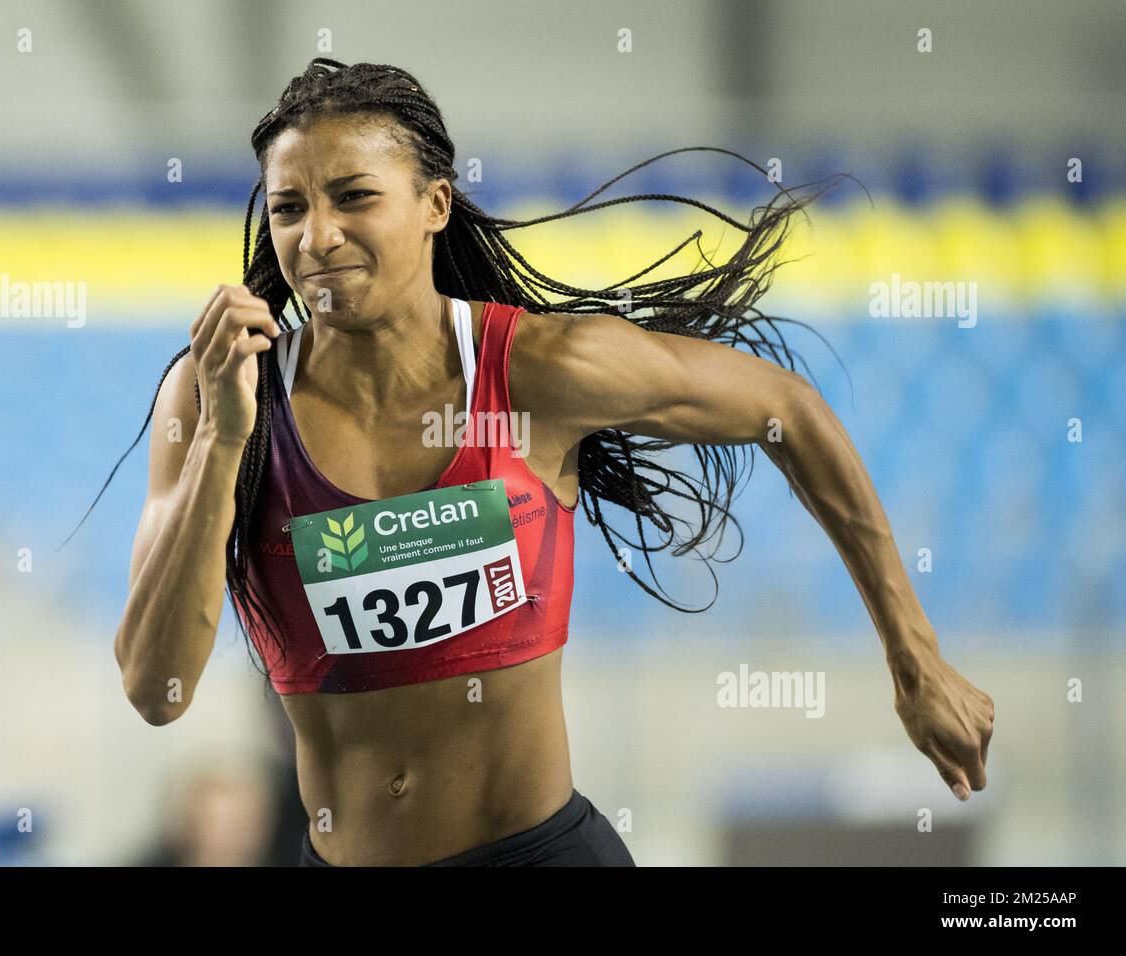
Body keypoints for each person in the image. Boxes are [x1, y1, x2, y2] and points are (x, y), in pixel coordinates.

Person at [80, 58, 994, 866]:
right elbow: (156, 690)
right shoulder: (214, 398)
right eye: (289, 207)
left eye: (353, 195)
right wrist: (223, 441)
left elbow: (787, 409)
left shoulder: (539, 373)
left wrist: (915, 659)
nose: (316, 236)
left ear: (435, 203)